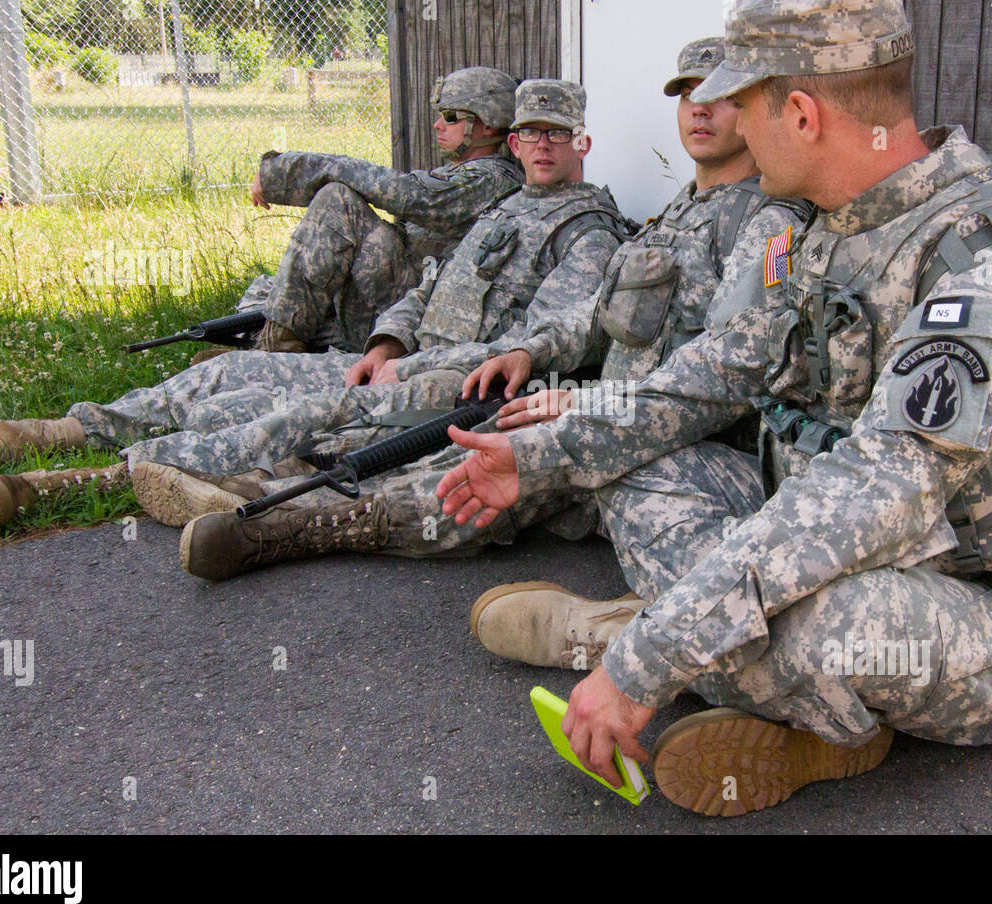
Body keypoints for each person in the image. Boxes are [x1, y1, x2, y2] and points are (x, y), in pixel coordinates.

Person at [426, 0, 992, 817]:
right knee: (634, 474)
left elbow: (880, 489)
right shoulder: (830, 227)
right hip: (849, 534)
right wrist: (547, 455)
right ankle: (765, 692)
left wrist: (648, 662)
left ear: (802, 114)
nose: (729, 121)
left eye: (744, 102)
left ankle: (636, 642)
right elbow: (714, 376)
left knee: (813, 629)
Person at [166, 37, 813, 581]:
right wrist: (529, 352)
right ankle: (276, 481)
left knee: (509, 451)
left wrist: (590, 402)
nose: (700, 110)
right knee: (469, 421)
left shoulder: (766, 223)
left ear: (758, 110)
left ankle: (307, 526)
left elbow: (727, 373)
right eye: (686, 95)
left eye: (723, 97)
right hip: (612, 404)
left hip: (664, 427)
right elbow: (598, 312)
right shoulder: (680, 210)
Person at [0, 80, 627, 533]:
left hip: (448, 383)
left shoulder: (586, 229)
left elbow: (547, 338)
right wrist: (387, 346)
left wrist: (414, 367)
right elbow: (429, 287)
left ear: (582, 143)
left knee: (285, 417)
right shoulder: (504, 205)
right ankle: (48, 431)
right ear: (513, 142)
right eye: (531, 132)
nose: (543, 144)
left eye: (558, 133)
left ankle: (67, 482)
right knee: (226, 376)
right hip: (392, 362)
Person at [228, 66, 524, 357]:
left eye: (451, 117)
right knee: (267, 292)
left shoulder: (493, 179)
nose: (438, 125)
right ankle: (274, 338)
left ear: (490, 125)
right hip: (395, 305)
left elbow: (406, 194)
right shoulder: (462, 172)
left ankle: (274, 347)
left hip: (410, 320)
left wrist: (282, 173)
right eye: (440, 116)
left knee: (338, 201)